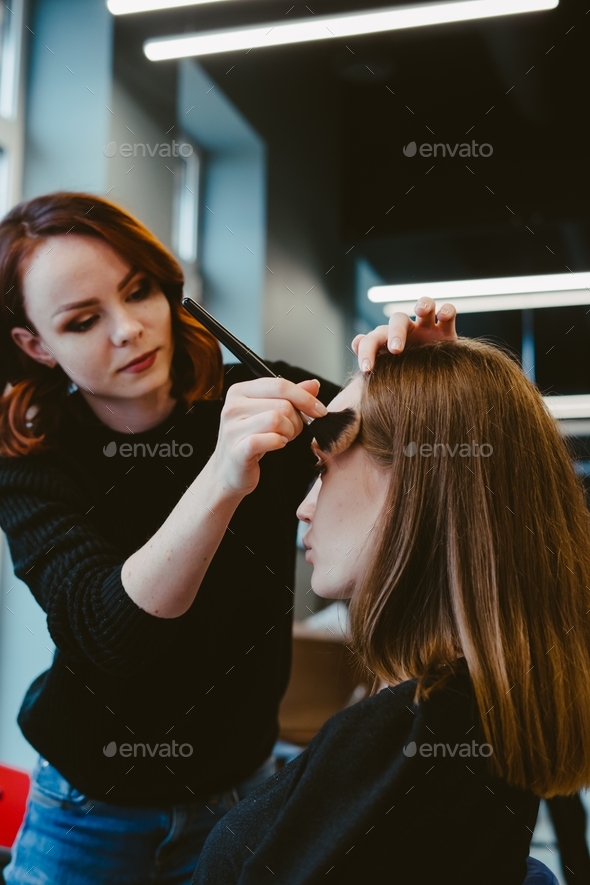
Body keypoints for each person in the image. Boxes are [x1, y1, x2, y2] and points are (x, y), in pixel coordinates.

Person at [0, 191, 457, 884]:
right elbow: (110, 633)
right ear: (36, 345)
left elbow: (412, 467)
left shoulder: (263, 394)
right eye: (84, 320)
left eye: (139, 291)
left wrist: (428, 383)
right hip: (87, 805)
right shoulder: (34, 461)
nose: (127, 329)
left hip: (241, 794)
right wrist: (221, 473)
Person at [192, 337, 590, 885]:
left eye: (323, 468)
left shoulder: (411, 734)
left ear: (416, 481)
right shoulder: (482, 700)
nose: (303, 508)